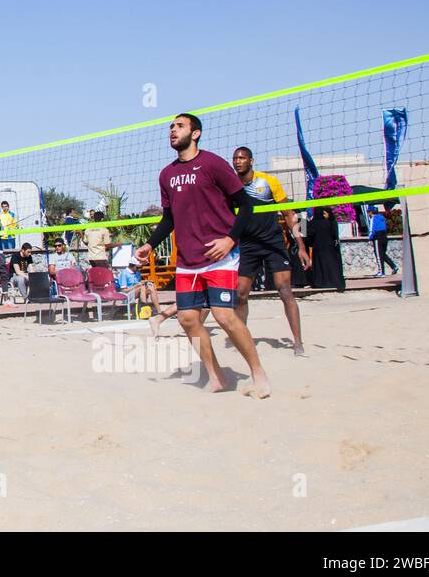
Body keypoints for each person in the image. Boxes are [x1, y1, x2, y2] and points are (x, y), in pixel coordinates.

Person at [134, 113, 270, 398]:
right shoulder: (166, 174)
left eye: (179, 126)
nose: (173, 130)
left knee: (224, 316)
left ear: (195, 133)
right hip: (187, 261)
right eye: (171, 127)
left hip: (219, 255)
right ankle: (217, 377)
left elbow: (245, 206)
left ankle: (258, 374)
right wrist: (150, 244)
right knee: (187, 320)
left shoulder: (213, 164)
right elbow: (169, 219)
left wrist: (230, 239)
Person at [231, 147, 310, 355]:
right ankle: (243, 338)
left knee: (284, 290)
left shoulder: (268, 181)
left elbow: (289, 213)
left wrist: (301, 245)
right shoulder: (230, 185)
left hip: (273, 243)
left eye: (242, 158)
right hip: (247, 244)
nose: (238, 162)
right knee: (240, 295)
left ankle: (298, 342)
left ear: (251, 160)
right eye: (235, 159)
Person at [307, 206, 347, 291]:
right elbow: (334, 235)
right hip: (330, 248)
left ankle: (320, 282)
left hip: (318, 247)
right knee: (331, 265)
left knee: (319, 266)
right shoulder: (329, 223)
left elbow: (308, 236)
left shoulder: (311, 223)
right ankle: (333, 282)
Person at [369, 206, 398, 277]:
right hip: (384, 237)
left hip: (377, 237)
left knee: (378, 255)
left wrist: (370, 239)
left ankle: (381, 272)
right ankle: (394, 266)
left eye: (368, 212)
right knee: (382, 254)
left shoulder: (373, 218)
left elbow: (372, 230)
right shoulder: (382, 218)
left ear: (371, 212)